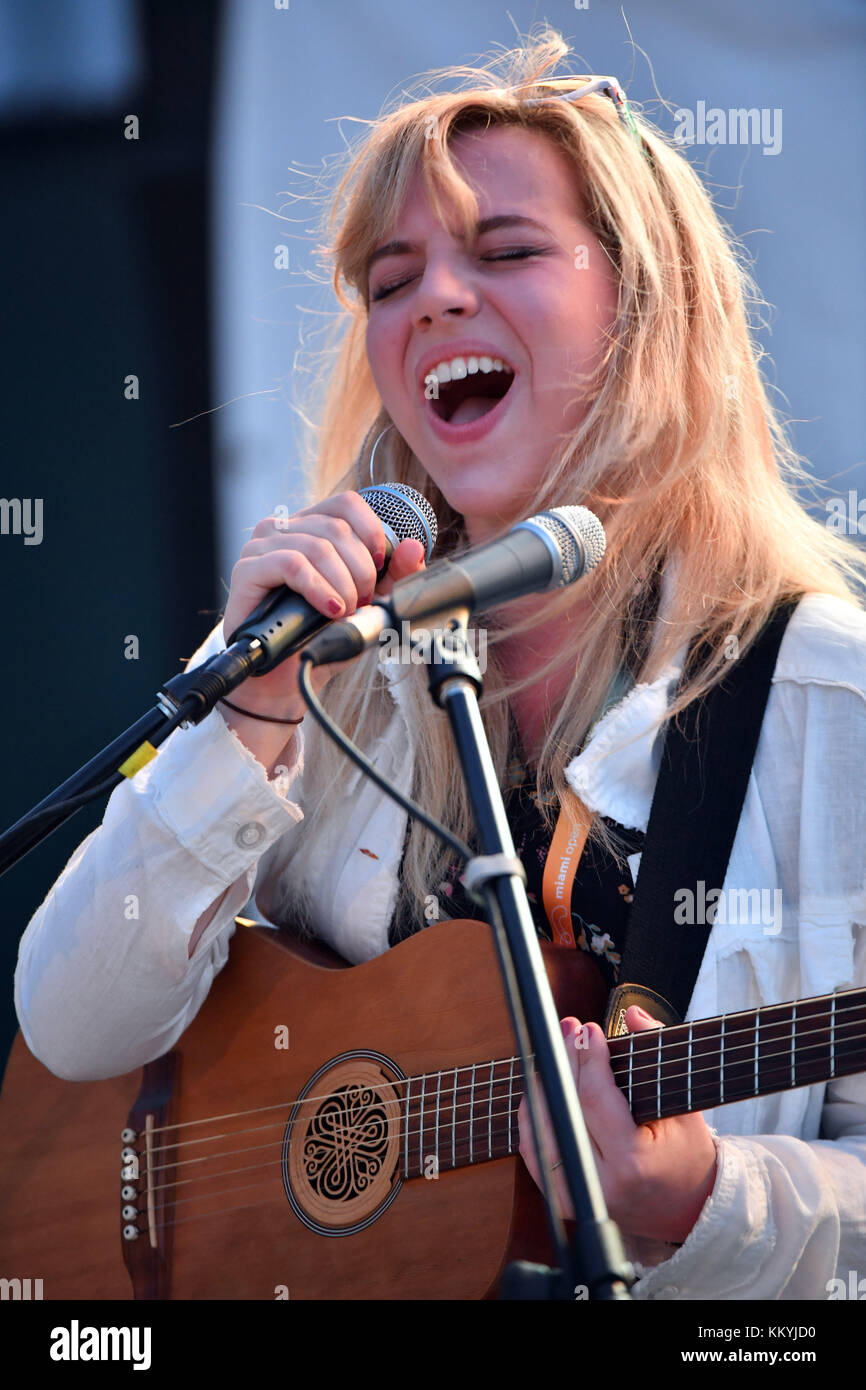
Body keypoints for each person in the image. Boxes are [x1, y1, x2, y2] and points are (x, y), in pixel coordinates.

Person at [13, 31, 866, 1300]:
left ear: (649, 305)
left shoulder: (821, 696)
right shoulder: (313, 644)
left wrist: (704, 1203)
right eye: (388, 277)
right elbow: (75, 1029)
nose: (434, 302)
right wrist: (248, 712)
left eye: (508, 251)